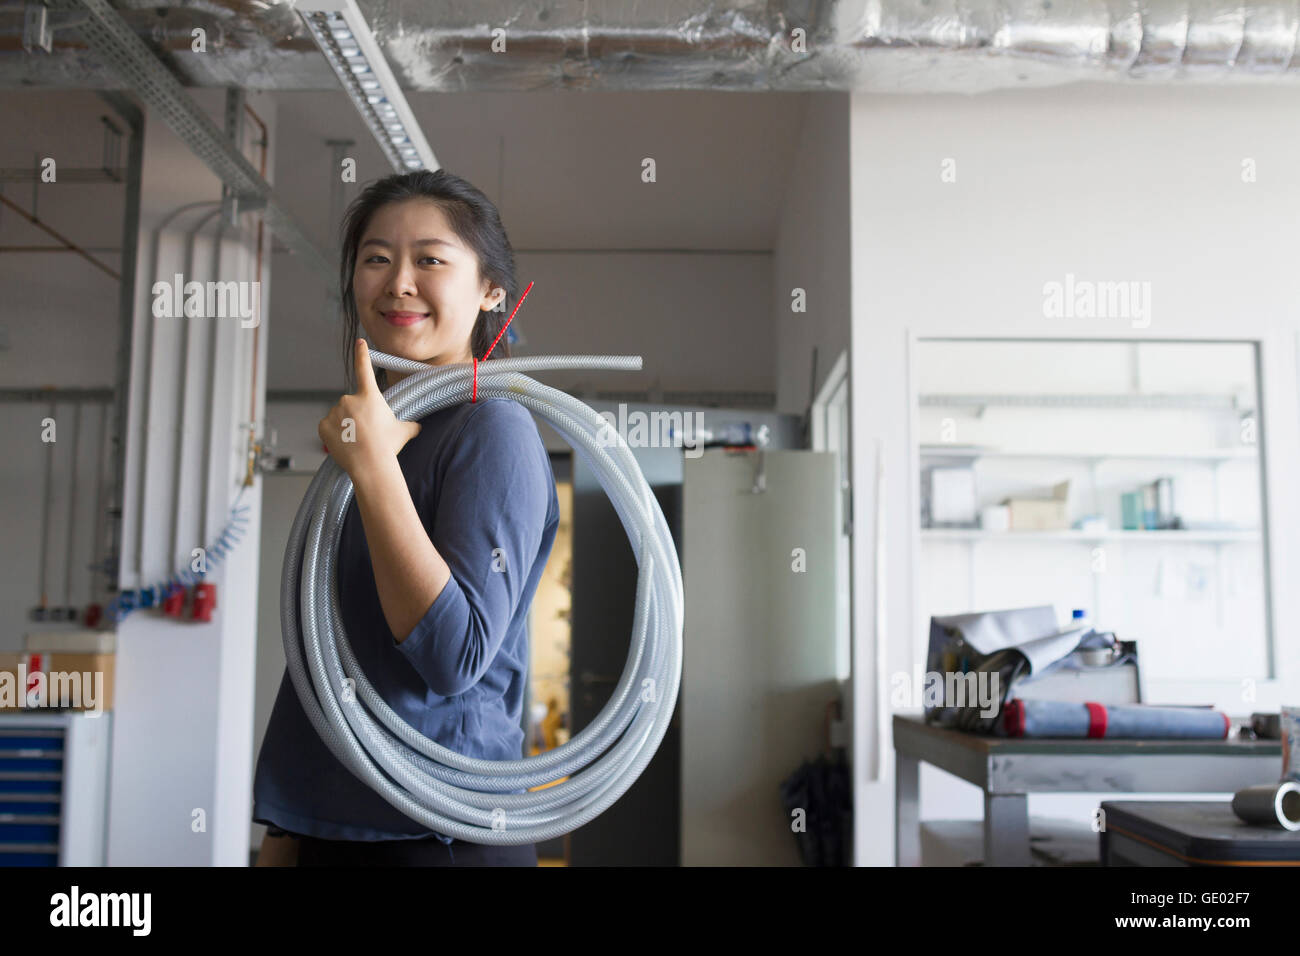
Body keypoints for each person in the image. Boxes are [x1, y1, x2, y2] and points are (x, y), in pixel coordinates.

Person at [252, 169, 558, 867]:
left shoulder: (493, 430)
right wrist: (286, 832)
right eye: (377, 259)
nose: (399, 283)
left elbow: (454, 658)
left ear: (491, 290)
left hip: (435, 833)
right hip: (333, 823)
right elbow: (326, 655)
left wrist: (375, 471)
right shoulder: (368, 440)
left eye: (431, 259)